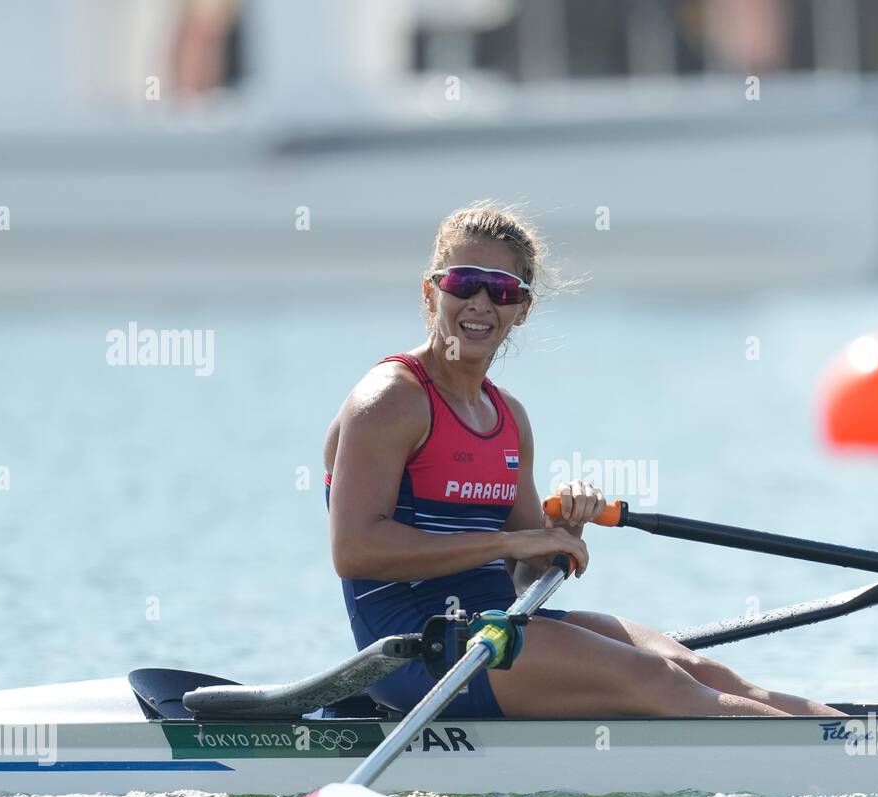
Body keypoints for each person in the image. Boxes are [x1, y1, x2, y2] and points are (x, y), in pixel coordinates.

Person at [323, 202, 844, 719]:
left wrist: (560, 529)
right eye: (463, 283)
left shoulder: (508, 416)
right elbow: (356, 549)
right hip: (422, 650)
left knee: (704, 673)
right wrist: (513, 541)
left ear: (521, 309)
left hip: (499, 627)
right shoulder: (392, 398)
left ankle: (862, 741)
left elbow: (530, 573)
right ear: (430, 290)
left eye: (502, 290)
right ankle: (850, 763)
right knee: (654, 680)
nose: (480, 303)